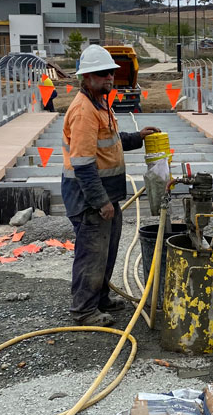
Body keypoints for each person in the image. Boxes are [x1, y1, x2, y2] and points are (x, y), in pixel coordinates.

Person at [61, 44, 160, 327]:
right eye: (103, 74)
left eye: (111, 73)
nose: (109, 78)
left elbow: (111, 143)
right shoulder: (83, 111)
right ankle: (84, 310)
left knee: (106, 250)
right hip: (89, 197)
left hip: (106, 194)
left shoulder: (101, 103)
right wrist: (100, 202)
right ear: (87, 78)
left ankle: (100, 298)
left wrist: (137, 137)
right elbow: (82, 163)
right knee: (92, 254)